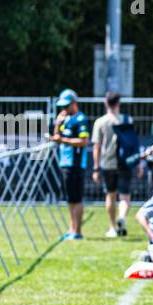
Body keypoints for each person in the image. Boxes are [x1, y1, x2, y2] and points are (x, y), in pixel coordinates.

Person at [91, 92, 135, 237]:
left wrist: (96, 167)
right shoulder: (128, 119)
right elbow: (133, 143)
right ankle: (121, 216)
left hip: (108, 163)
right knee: (125, 196)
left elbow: (96, 146)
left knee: (110, 195)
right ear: (119, 103)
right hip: (126, 162)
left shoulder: (101, 122)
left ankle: (112, 227)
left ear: (106, 103)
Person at [49, 89, 90, 240]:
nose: (64, 109)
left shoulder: (81, 120)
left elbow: (84, 141)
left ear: (74, 103)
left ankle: (78, 232)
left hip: (76, 164)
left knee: (77, 198)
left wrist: (64, 141)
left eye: (66, 106)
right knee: (70, 198)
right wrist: (57, 122)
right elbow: (56, 137)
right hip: (65, 162)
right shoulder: (64, 119)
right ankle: (71, 229)